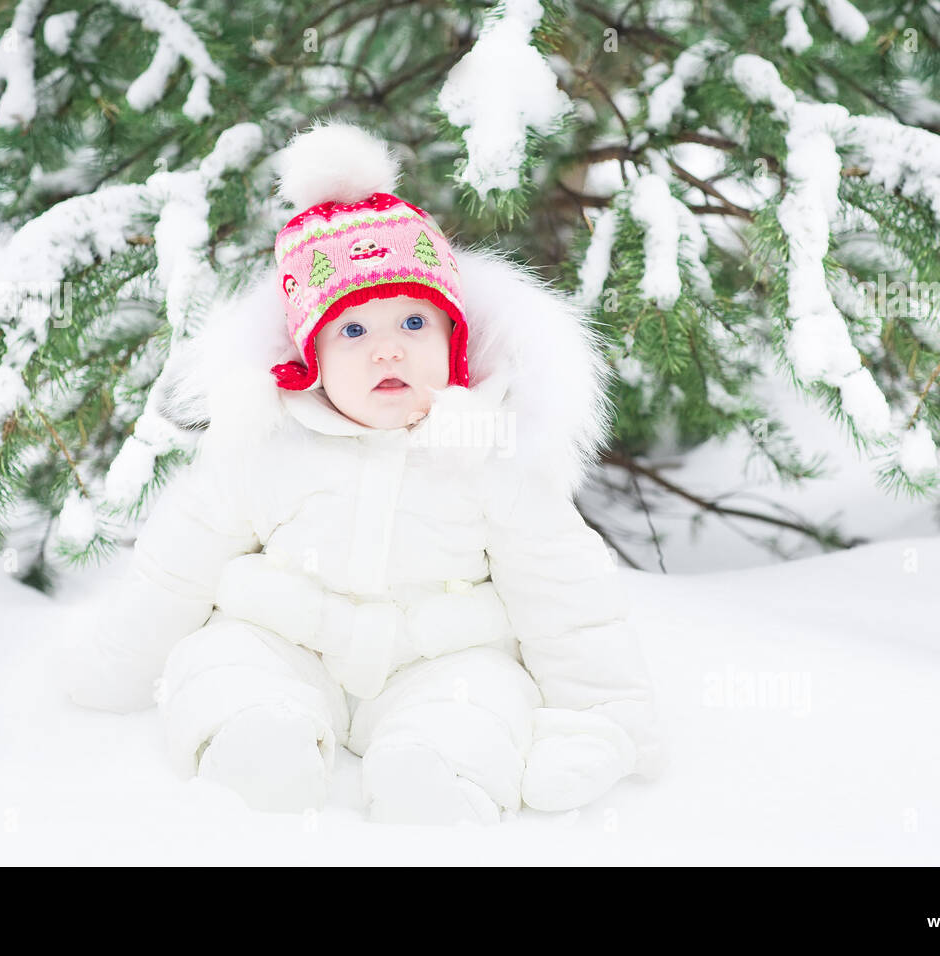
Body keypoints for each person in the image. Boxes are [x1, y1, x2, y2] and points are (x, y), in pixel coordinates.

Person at [59, 120, 666, 825]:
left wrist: (607, 718)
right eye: (353, 330)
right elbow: (177, 565)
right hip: (287, 641)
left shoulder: (489, 453)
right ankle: (255, 747)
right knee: (222, 662)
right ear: (308, 355)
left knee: (482, 699)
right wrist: (114, 670)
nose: (387, 352)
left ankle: (438, 776)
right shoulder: (268, 441)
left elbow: (565, 594)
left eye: (414, 325)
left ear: (455, 342)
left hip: (437, 657)